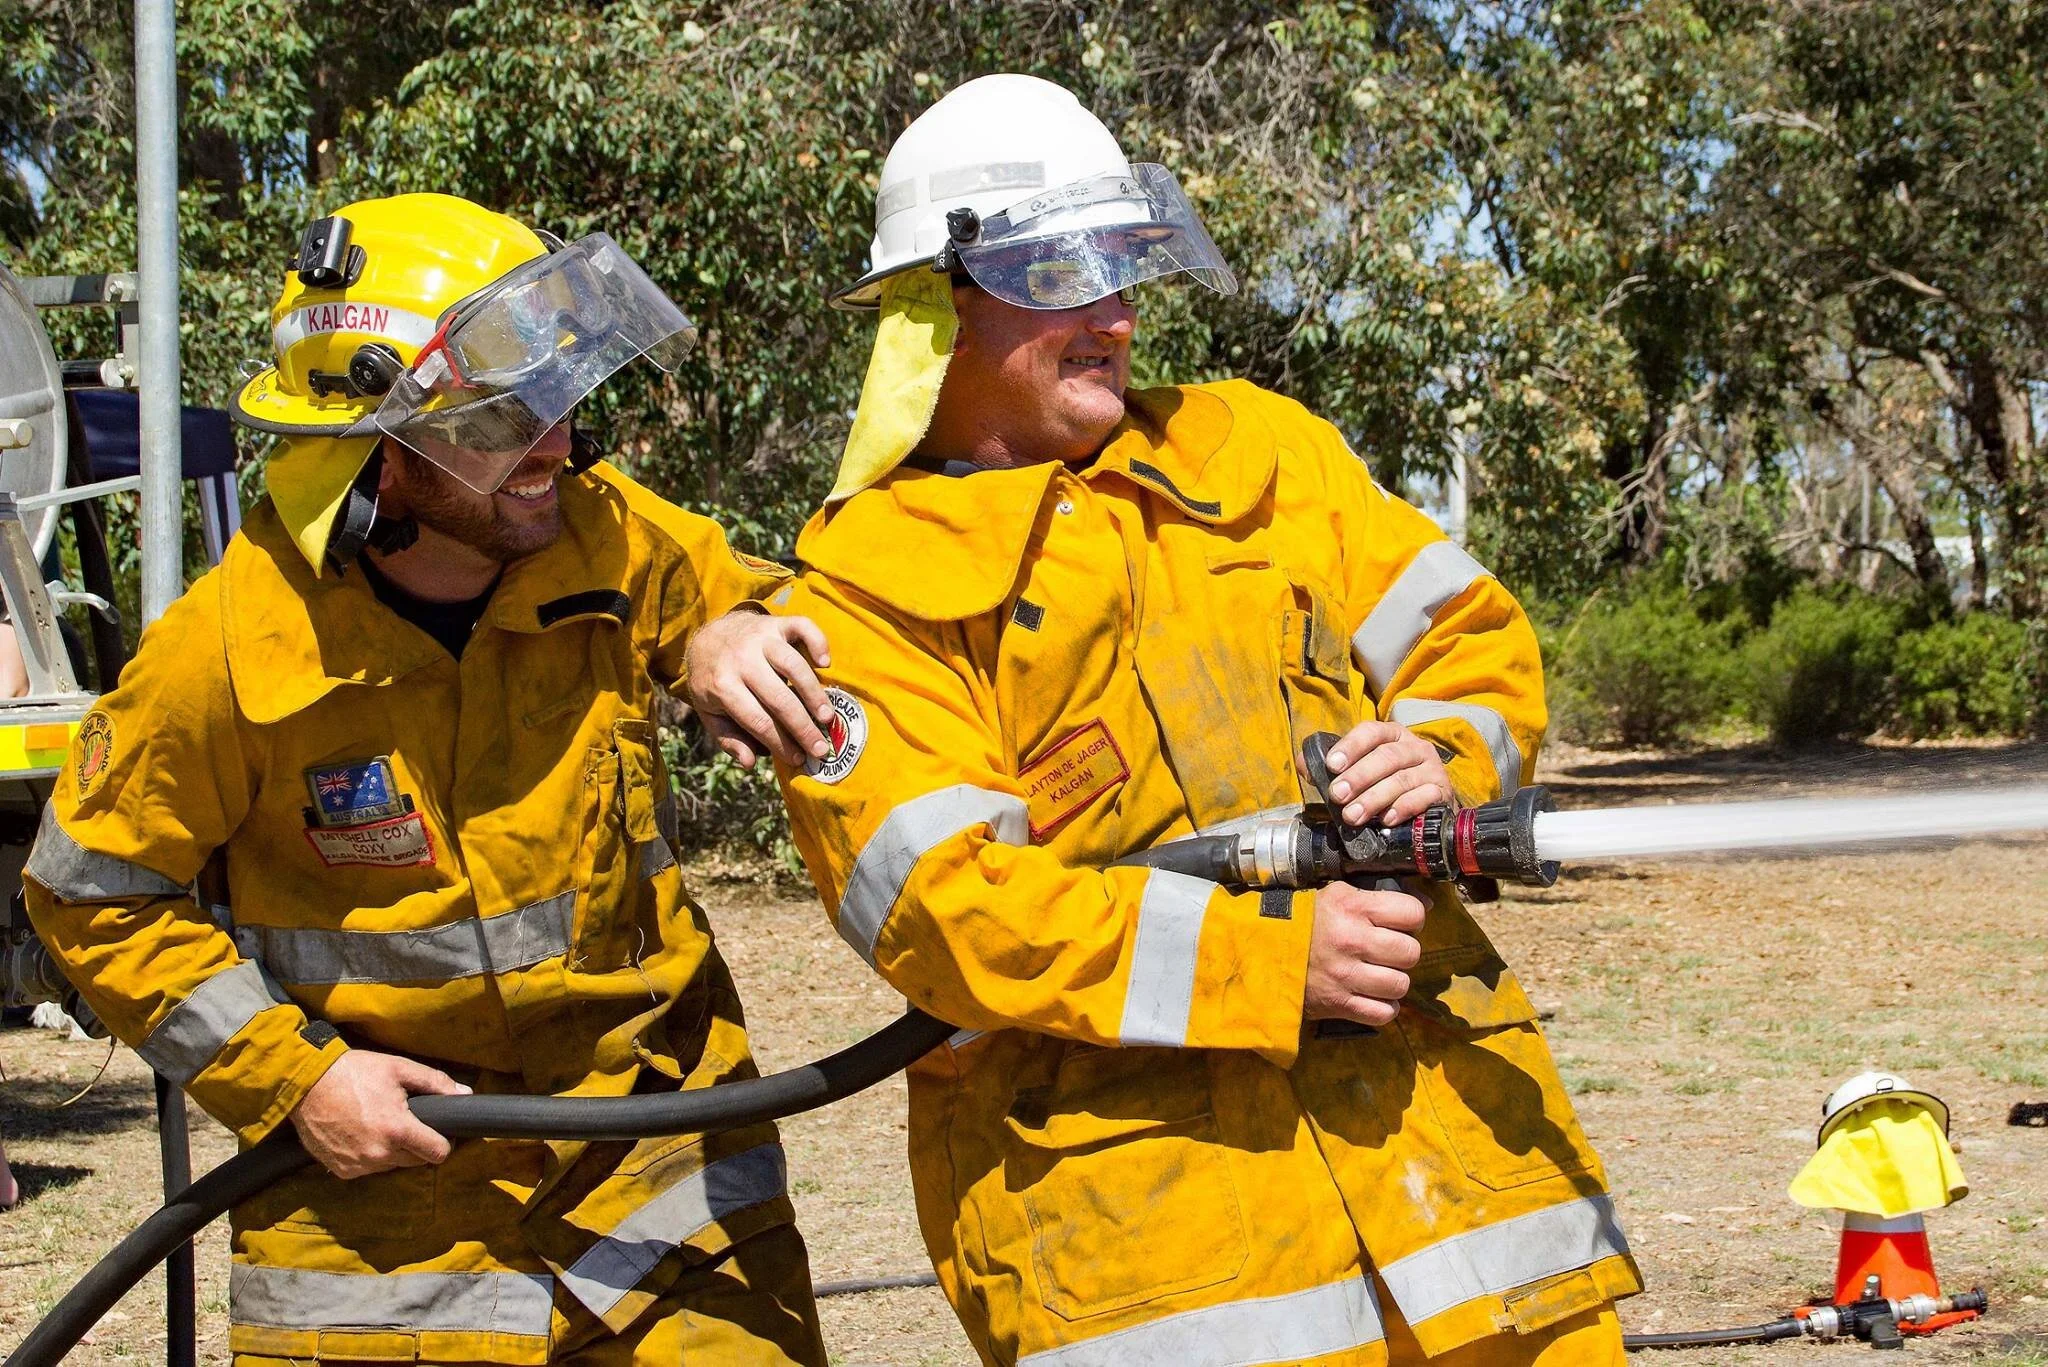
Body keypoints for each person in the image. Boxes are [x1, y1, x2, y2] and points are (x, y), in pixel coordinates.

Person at [770, 75, 1641, 1367]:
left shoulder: (1262, 454)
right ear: (940, 303)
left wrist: (1443, 753)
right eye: (1065, 274)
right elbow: (943, 908)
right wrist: (1266, 965)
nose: (1118, 315)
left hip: (1462, 1182)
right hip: (1155, 1243)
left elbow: (1469, 637)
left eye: (1125, 266)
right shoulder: (861, 594)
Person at [23, 194, 836, 1364]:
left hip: (655, 1160)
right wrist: (294, 1080)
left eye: (556, 398)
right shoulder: (227, 652)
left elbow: (755, 598)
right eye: (501, 415)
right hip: (385, 1219)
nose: (555, 442)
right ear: (375, 445)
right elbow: (88, 891)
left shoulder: (600, 533)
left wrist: (734, 626)